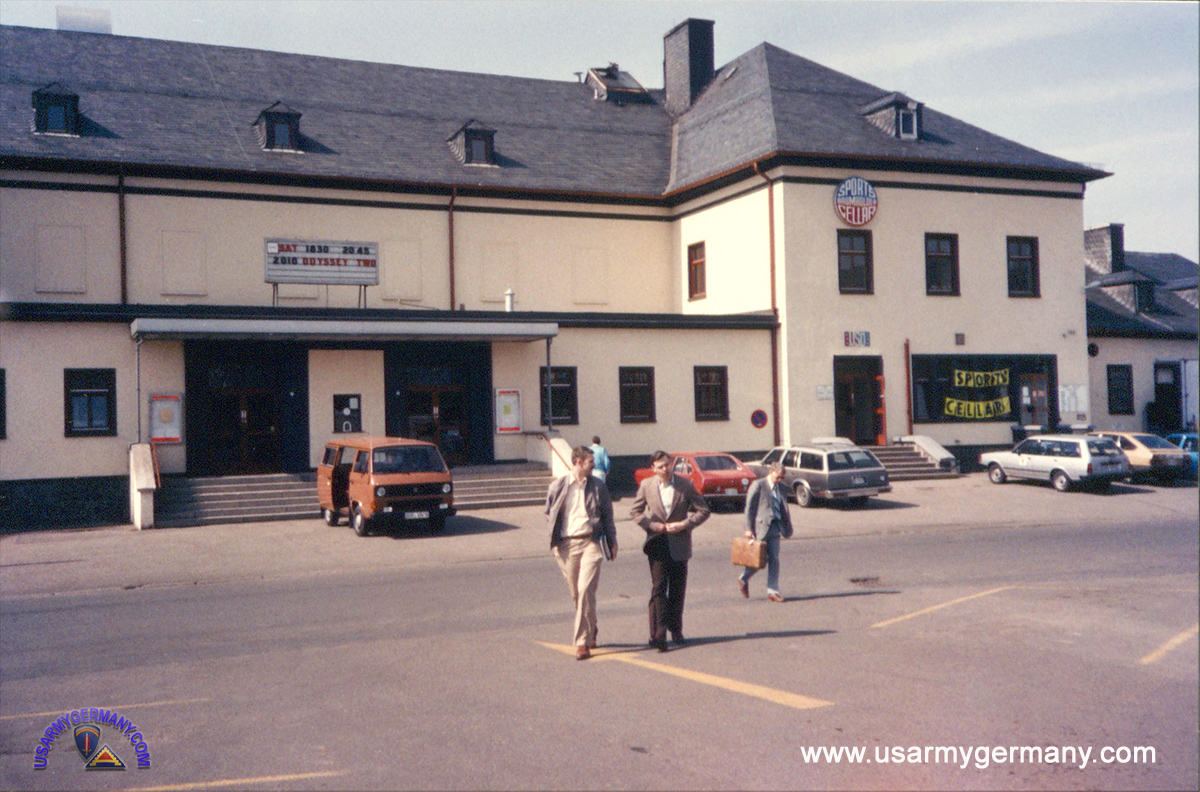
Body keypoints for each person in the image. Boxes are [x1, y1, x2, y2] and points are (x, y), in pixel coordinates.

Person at [630, 450, 710, 651]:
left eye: (667, 465)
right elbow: (635, 512)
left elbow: (704, 510)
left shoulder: (685, 484)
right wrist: (650, 524)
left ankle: (676, 629)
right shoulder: (647, 485)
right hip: (657, 542)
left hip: (679, 542)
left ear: (672, 464)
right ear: (653, 469)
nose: (664, 469)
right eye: (660, 466)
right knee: (658, 588)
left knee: (677, 589)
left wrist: (685, 524)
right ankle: (658, 633)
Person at [546, 446, 618, 660]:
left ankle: (581, 642)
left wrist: (613, 541)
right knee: (577, 595)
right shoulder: (558, 486)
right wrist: (554, 541)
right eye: (590, 462)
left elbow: (607, 516)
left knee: (585, 589)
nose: (594, 466)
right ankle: (591, 627)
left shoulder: (598, 486)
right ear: (578, 462)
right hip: (566, 546)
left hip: (591, 542)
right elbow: (548, 513)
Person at [739, 462, 793, 602]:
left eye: (782, 478)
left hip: (776, 526)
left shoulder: (781, 487)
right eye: (778, 477)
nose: (780, 480)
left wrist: (787, 526)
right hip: (761, 528)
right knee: (759, 560)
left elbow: (783, 507)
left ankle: (772, 591)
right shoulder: (758, 485)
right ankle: (743, 578)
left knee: (774, 559)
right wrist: (748, 528)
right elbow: (749, 508)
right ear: (771, 472)